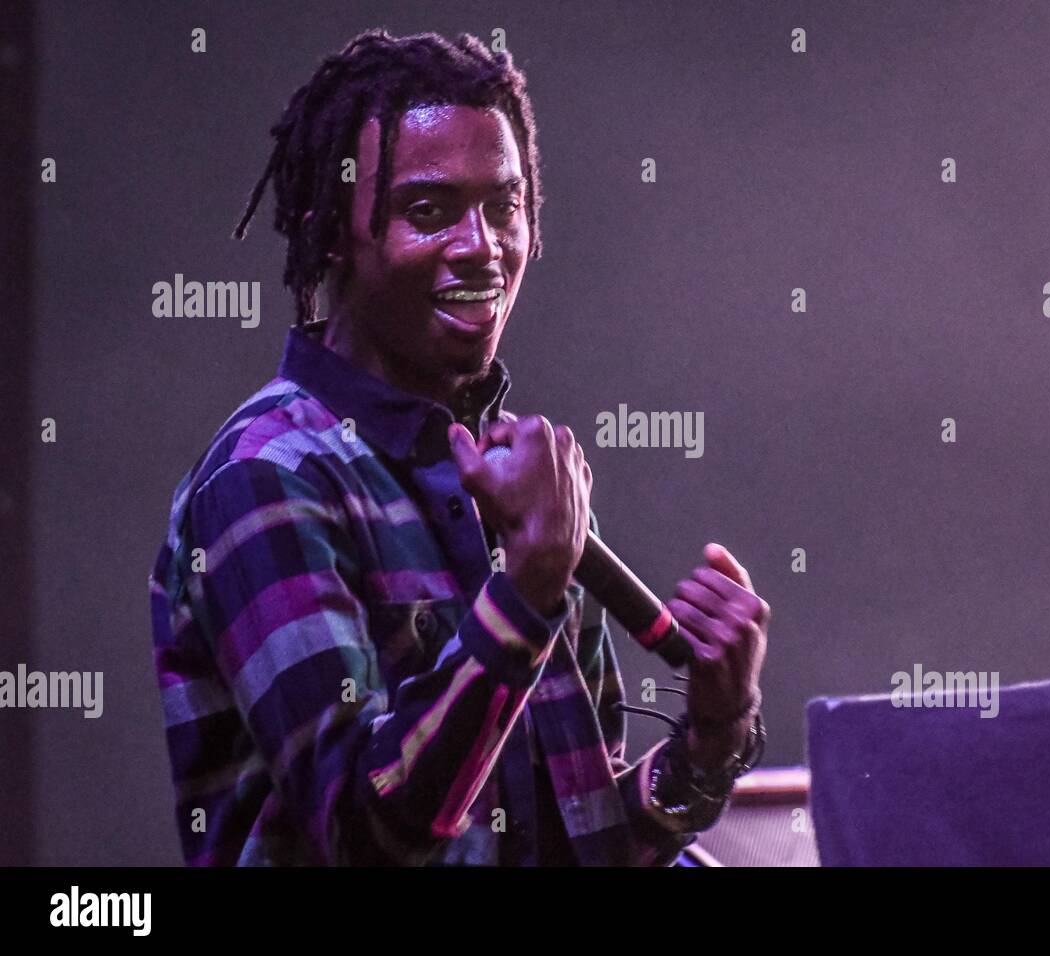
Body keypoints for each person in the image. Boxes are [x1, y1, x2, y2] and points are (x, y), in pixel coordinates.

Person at [148, 27, 770, 866]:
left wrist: (712, 738)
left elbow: (584, 844)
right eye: (430, 211)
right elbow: (361, 838)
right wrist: (524, 593)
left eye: (504, 206)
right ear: (330, 229)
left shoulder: (516, 485)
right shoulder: (267, 477)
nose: (483, 247)